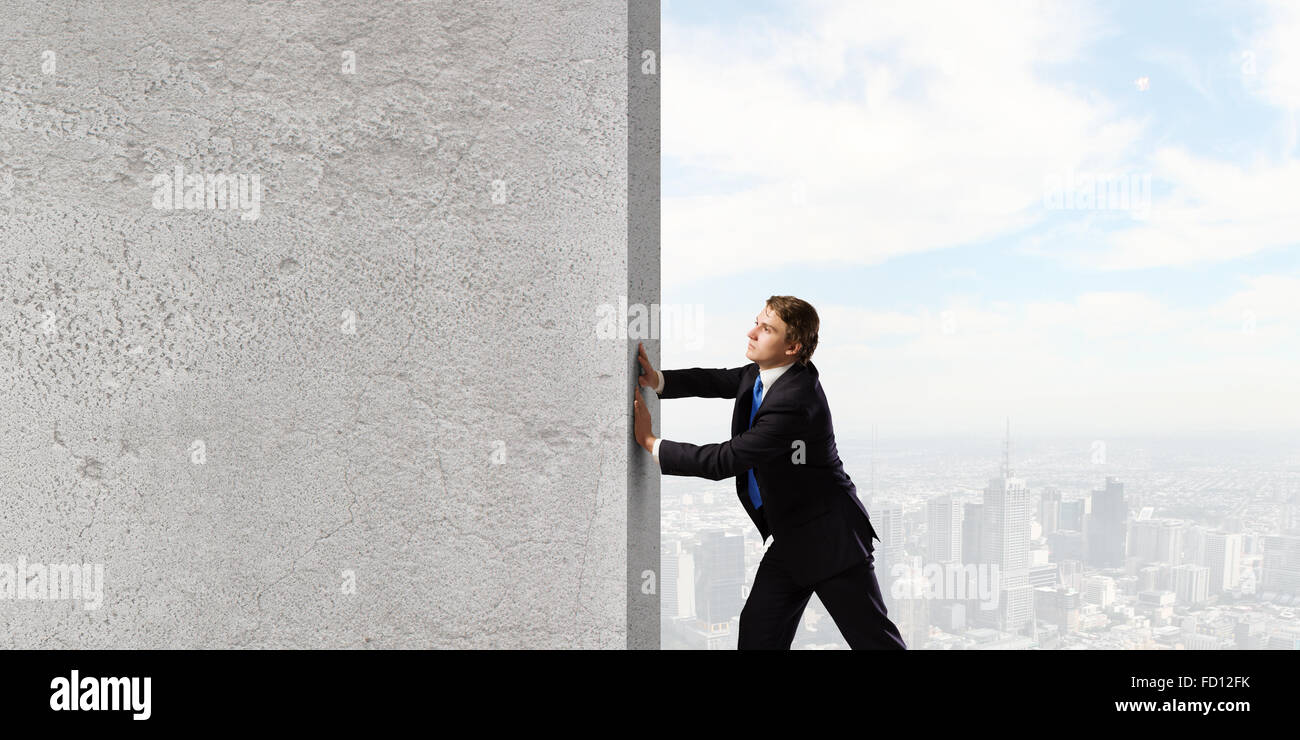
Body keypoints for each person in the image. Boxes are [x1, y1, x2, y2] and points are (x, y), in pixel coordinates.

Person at [633, 295, 906, 649]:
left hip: (832, 541)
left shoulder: (794, 402)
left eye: (766, 329)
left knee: (874, 641)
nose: (751, 332)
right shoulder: (766, 373)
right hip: (792, 540)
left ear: (792, 346)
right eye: (756, 322)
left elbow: (726, 460)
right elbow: (718, 381)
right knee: (758, 634)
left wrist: (651, 442)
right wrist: (658, 380)